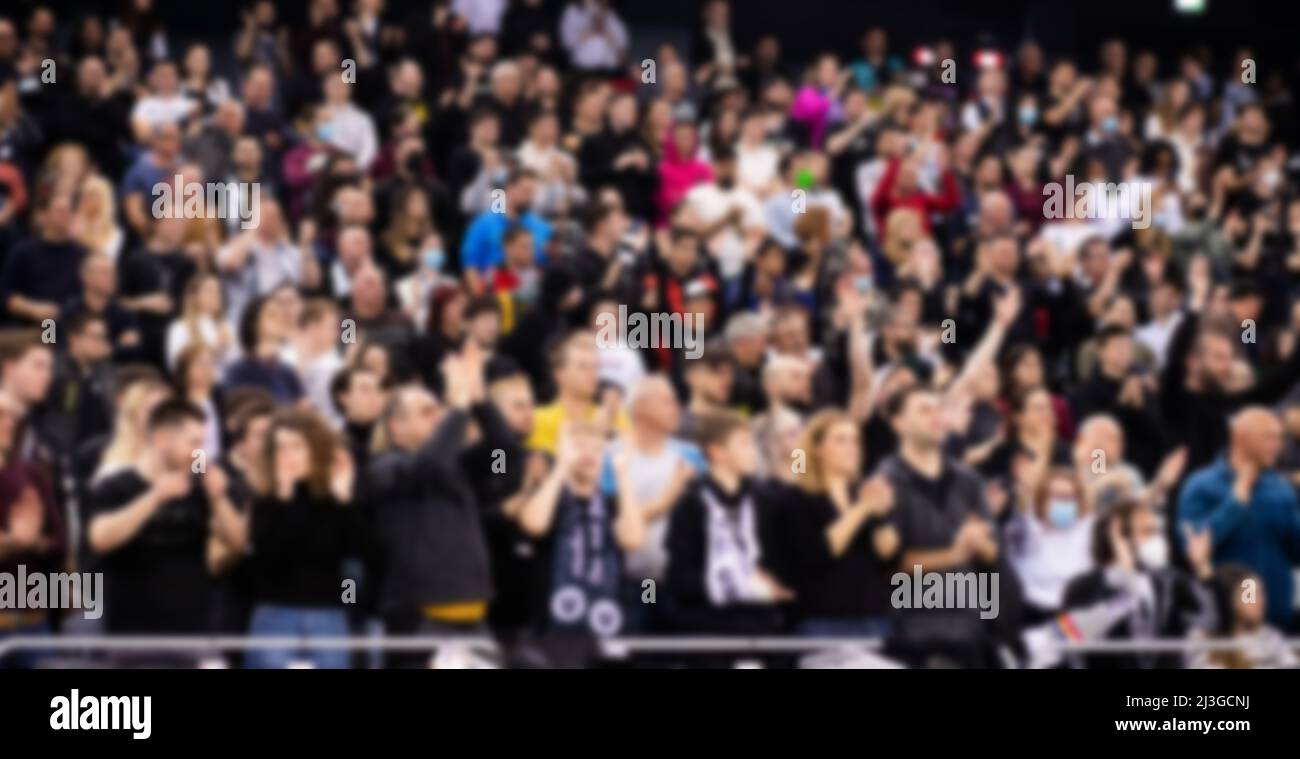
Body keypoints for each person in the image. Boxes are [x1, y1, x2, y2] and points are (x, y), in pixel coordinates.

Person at [365, 342, 511, 655]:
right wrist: (457, 410)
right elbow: (426, 466)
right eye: (425, 412)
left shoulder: (456, 465)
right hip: (421, 618)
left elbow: (503, 451)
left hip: (474, 614)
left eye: (437, 410)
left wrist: (479, 398)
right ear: (397, 427)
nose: (437, 418)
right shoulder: (385, 467)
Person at [85, 399, 240, 636]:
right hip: (132, 630)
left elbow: (238, 542)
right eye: (194, 443)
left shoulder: (200, 485)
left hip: (194, 627)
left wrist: (219, 498)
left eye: (203, 443)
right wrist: (154, 497)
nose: (200, 453)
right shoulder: (116, 485)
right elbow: (99, 539)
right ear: (161, 440)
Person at [243, 409, 360, 668]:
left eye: (297, 446)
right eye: (281, 448)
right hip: (276, 611)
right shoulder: (266, 501)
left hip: (328, 612)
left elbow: (354, 555)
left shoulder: (334, 497)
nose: (288, 456)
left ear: (315, 449)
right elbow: (267, 560)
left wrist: (344, 500)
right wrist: (284, 499)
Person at [767, 410, 896, 636]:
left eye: (855, 440)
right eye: (840, 440)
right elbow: (819, 553)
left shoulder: (862, 493)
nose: (852, 448)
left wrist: (881, 514)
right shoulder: (797, 497)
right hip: (822, 619)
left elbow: (888, 555)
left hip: (873, 615)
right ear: (817, 448)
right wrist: (862, 510)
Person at [517, 418, 646, 637]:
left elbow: (633, 539)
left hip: (605, 621)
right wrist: (561, 467)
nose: (589, 455)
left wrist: (623, 476)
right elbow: (533, 524)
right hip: (551, 626)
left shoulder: (611, 502)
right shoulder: (550, 496)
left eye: (597, 449)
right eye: (579, 447)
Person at [665, 410, 787, 635]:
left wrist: (797, 458)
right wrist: (741, 585)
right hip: (708, 629)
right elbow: (680, 579)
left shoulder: (765, 502)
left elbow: (778, 565)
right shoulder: (690, 505)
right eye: (744, 444)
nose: (753, 451)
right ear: (717, 452)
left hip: (760, 627)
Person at [1177, 407, 1300, 628]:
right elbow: (1193, 544)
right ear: (1241, 438)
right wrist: (1235, 504)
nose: (1278, 445)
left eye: (1280, 437)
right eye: (1269, 437)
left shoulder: (1281, 488)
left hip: (1280, 620)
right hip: (1227, 625)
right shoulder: (1201, 485)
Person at [1062, 499, 1215, 669]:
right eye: (1148, 532)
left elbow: (1212, 619)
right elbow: (1073, 642)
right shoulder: (1082, 587)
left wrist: (1203, 568)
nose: (1158, 540)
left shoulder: (1171, 583)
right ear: (1120, 535)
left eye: (1159, 532)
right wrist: (1122, 576)